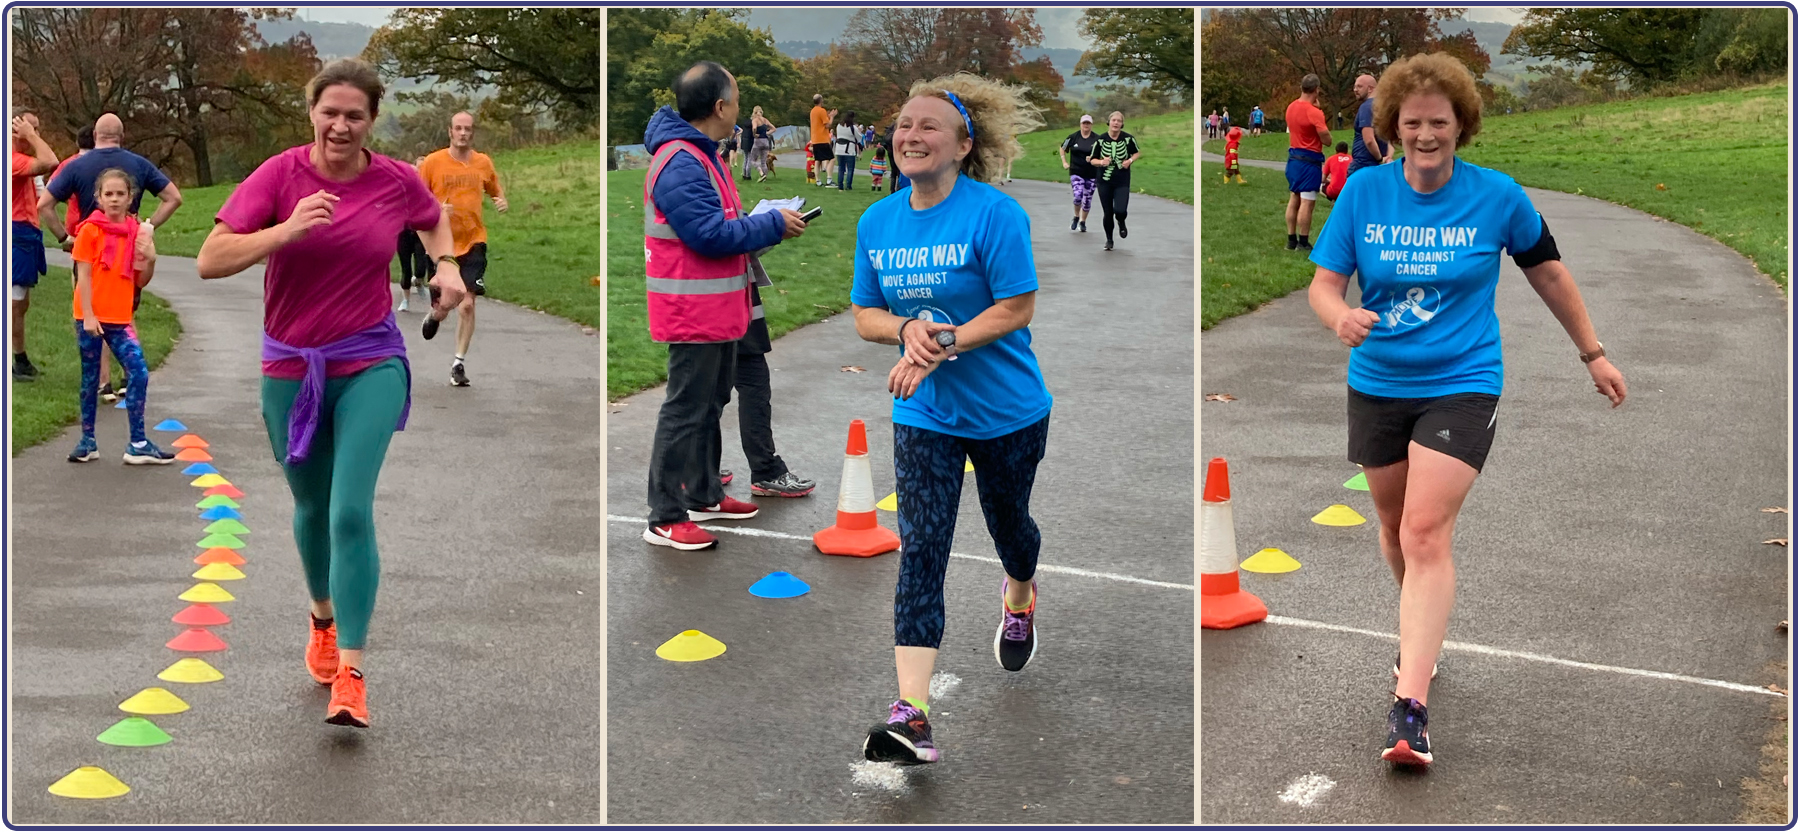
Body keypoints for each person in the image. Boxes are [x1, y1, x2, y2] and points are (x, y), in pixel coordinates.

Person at [1305, 52, 1627, 767]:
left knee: (1424, 531)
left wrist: (1593, 353)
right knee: (1392, 527)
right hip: (1379, 380)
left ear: (1462, 125)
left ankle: (1409, 708)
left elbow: (1547, 271)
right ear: (1391, 126)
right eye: (1412, 122)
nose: (1425, 135)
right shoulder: (1363, 195)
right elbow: (1325, 285)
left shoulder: (1498, 197)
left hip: (1464, 378)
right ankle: (1421, 635)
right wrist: (1339, 318)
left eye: (1439, 123)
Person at [196, 58, 468, 729]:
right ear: (311, 114)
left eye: (355, 115)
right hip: (290, 366)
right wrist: (286, 231)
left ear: (372, 120)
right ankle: (321, 616)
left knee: (349, 511)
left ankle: (351, 672)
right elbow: (209, 258)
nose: (340, 125)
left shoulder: (393, 179)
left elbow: (433, 218)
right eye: (330, 112)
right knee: (311, 506)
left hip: (371, 358)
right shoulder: (280, 176)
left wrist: (447, 265)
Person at [850, 73, 1049, 766]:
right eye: (904, 124)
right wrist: (905, 326)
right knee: (922, 550)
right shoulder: (878, 221)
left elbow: (1015, 308)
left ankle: (1019, 593)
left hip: (1007, 413)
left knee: (1011, 530)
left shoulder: (994, 215)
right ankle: (913, 713)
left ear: (964, 145)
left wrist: (942, 342)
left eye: (930, 126)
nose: (911, 134)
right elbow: (865, 314)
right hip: (925, 415)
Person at [640, 61, 809, 551]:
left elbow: (722, 225)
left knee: (709, 404)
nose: (739, 109)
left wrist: (762, 224)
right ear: (719, 107)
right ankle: (665, 515)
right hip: (692, 313)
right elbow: (708, 235)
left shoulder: (703, 156)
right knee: (685, 410)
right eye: (735, 100)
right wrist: (774, 223)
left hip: (716, 310)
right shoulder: (680, 161)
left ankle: (704, 494)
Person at [43, 113, 184, 398]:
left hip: (90, 246)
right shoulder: (139, 164)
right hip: (127, 247)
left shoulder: (76, 166)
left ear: (95, 136)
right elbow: (173, 197)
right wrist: (147, 227)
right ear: (122, 136)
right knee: (124, 313)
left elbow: (45, 204)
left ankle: (102, 381)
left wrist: (64, 237)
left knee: (91, 313)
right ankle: (129, 377)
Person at [67, 167, 170, 465]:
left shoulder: (135, 231)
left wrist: (150, 259)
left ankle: (137, 442)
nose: (114, 200)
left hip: (120, 318)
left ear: (130, 198)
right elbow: (82, 276)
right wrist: (88, 315)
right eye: (108, 194)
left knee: (138, 372)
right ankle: (88, 440)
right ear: (98, 198)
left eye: (120, 194)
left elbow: (140, 280)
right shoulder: (89, 230)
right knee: (90, 379)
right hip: (90, 317)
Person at [418, 111, 508, 387]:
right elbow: (416, 199)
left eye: (468, 129)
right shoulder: (433, 163)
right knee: (449, 301)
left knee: (467, 305)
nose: (463, 133)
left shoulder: (482, 162)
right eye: (458, 128)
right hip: (443, 243)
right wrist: (435, 209)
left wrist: (500, 200)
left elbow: (494, 188)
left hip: (474, 240)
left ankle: (458, 363)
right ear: (450, 131)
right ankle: (436, 314)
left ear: (473, 132)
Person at [11, 110, 58, 381]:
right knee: (15, 302)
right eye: (33, 129)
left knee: (22, 301)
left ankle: (20, 358)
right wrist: (26, 135)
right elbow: (50, 161)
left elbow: (44, 196)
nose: (37, 135)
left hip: (26, 233)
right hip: (17, 234)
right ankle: (16, 361)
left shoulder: (23, 162)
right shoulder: (13, 160)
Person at [1283, 73, 1332, 251]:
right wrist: (1318, 111)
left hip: (1293, 157)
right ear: (1316, 90)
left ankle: (1291, 239)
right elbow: (1326, 139)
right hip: (1309, 160)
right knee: (1308, 201)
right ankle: (1303, 241)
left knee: (1294, 196)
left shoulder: (1291, 107)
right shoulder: (1314, 113)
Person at [1087, 111, 1141, 253]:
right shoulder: (1100, 140)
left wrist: (1129, 161)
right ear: (1109, 122)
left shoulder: (1128, 139)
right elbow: (1092, 159)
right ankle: (1109, 239)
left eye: (1119, 121)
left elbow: (1137, 153)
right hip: (1104, 181)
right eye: (1113, 120)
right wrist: (1101, 162)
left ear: (1122, 124)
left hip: (1122, 180)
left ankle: (1121, 221)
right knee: (1108, 212)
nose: (1116, 123)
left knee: (1120, 210)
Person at [394, 156, 433, 313]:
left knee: (420, 268)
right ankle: (405, 300)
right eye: (416, 171)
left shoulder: (427, 190)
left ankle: (418, 281)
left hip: (421, 232)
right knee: (406, 268)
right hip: (403, 232)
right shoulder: (400, 189)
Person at [1058, 114, 1100, 232]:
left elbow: (1103, 153)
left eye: (1088, 123)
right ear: (1080, 124)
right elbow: (1062, 148)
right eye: (1084, 123)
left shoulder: (1097, 139)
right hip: (1076, 171)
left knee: (1087, 200)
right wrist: (1064, 162)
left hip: (1092, 173)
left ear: (1091, 125)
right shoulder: (1073, 137)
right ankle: (1076, 216)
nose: (1086, 125)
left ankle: (1082, 221)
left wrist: (1094, 158)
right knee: (1078, 196)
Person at [1349, 72, 1393, 178]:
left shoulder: (1366, 107)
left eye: (1359, 86)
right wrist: (1388, 157)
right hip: (1378, 166)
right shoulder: (1384, 108)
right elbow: (1389, 139)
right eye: (1354, 87)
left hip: (1363, 164)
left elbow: (1368, 139)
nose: (1355, 90)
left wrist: (1379, 159)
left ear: (1370, 89)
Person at [834, 109, 863, 190]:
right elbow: (859, 138)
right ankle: (848, 185)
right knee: (850, 168)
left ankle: (840, 185)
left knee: (841, 168)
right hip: (849, 149)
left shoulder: (839, 125)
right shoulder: (853, 127)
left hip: (839, 149)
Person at [809, 94, 833, 188]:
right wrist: (832, 117)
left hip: (815, 139)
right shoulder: (822, 110)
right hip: (822, 139)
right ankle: (829, 179)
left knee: (818, 160)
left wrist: (828, 116)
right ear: (821, 101)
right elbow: (827, 125)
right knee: (831, 158)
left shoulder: (812, 111)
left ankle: (818, 180)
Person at [748, 105, 774, 183]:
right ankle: (765, 177)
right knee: (763, 161)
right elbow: (773, 128)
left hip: (758, 141)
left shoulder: (755, 120)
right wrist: (767, 133)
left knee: (752, 160)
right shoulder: (765, 120)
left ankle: (761, 173)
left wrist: (754, 134)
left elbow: (754, 128)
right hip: (766, 141)